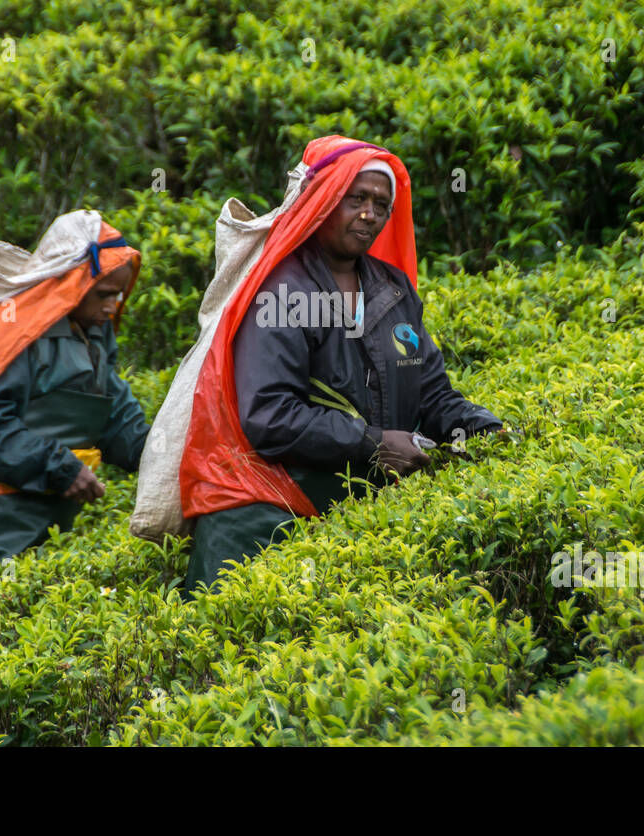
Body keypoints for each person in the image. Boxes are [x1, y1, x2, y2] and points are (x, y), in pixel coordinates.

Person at [180, 136, 502, 593]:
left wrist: (482, 428)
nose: (369, 214)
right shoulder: (281, 291)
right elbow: (268, 415)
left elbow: (430, 392)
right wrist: (373, 443)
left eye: (380, 204)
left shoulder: (392, 290)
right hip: (261, 519)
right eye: (357, 199)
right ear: (325, 198)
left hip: (347, 515)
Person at [0, 227, 148, 587]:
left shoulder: (94, 331)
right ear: (72, 284)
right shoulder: (16, 332)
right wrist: (62, 469)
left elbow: (112, 410)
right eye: (105, 294)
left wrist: (161, 454)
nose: (114, 306)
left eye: (120, 294)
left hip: (49, 521)